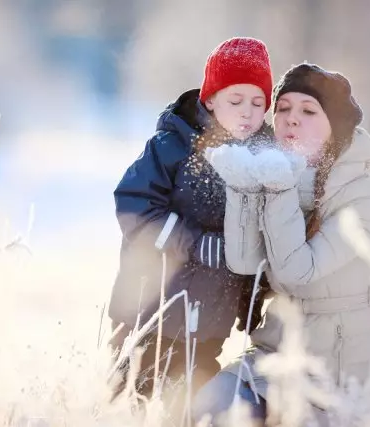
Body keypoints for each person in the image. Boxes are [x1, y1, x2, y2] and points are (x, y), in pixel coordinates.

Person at [192, 63, 370, 426]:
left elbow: (297, 271)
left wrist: (277, 186)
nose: (291, 119)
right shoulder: (279, 172)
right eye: (283, 108)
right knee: (209, 408)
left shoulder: (363, 197)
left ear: (335, 125)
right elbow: (245, 262)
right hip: (274, 353)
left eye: (308, 110)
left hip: (340, 369)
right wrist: (242, 188)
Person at [107, 37, 274, 409]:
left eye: (258, 102)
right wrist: (196, 244)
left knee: (190, 411)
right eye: (235, 101)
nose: (247, 112)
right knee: (132, 403)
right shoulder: (173, 146)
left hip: (209, 326)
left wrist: (254, 292)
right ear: (210, 99)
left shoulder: (266, 161)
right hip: (149, 315)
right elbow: (134, 205)